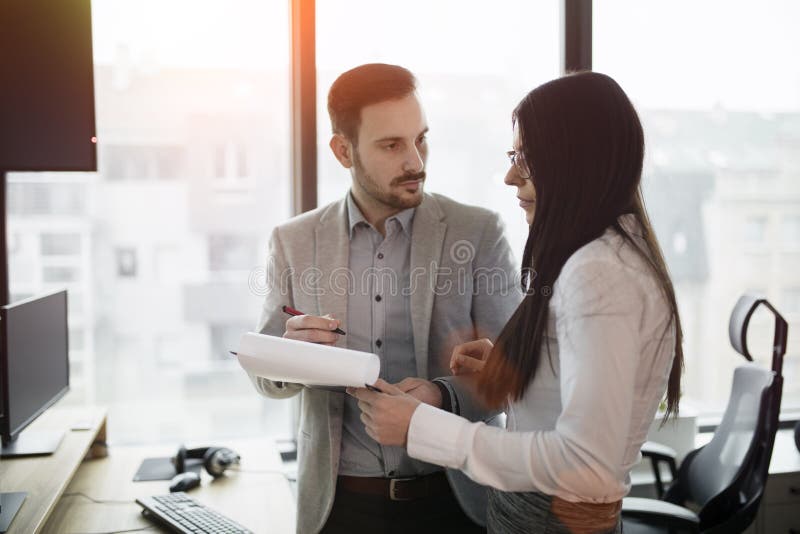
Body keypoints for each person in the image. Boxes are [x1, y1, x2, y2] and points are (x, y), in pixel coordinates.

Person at [349, 71, 685, 534]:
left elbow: (584, 463)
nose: (510, 177)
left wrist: (421, 428)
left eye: (525, 159)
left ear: (573, 161)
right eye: (514, 157)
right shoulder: (602, 256)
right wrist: (522, 367)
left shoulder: (599, 272)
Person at [249, 63, 520, 534]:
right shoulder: (292, 241)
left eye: (421, 138)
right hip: (340, 508)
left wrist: (442, 396)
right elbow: (266, 378)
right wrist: (290, 356)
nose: (415, 161)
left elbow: (512, 372)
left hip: (457, 502)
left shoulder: (477, 232)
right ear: (343, 151)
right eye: (392, 145)